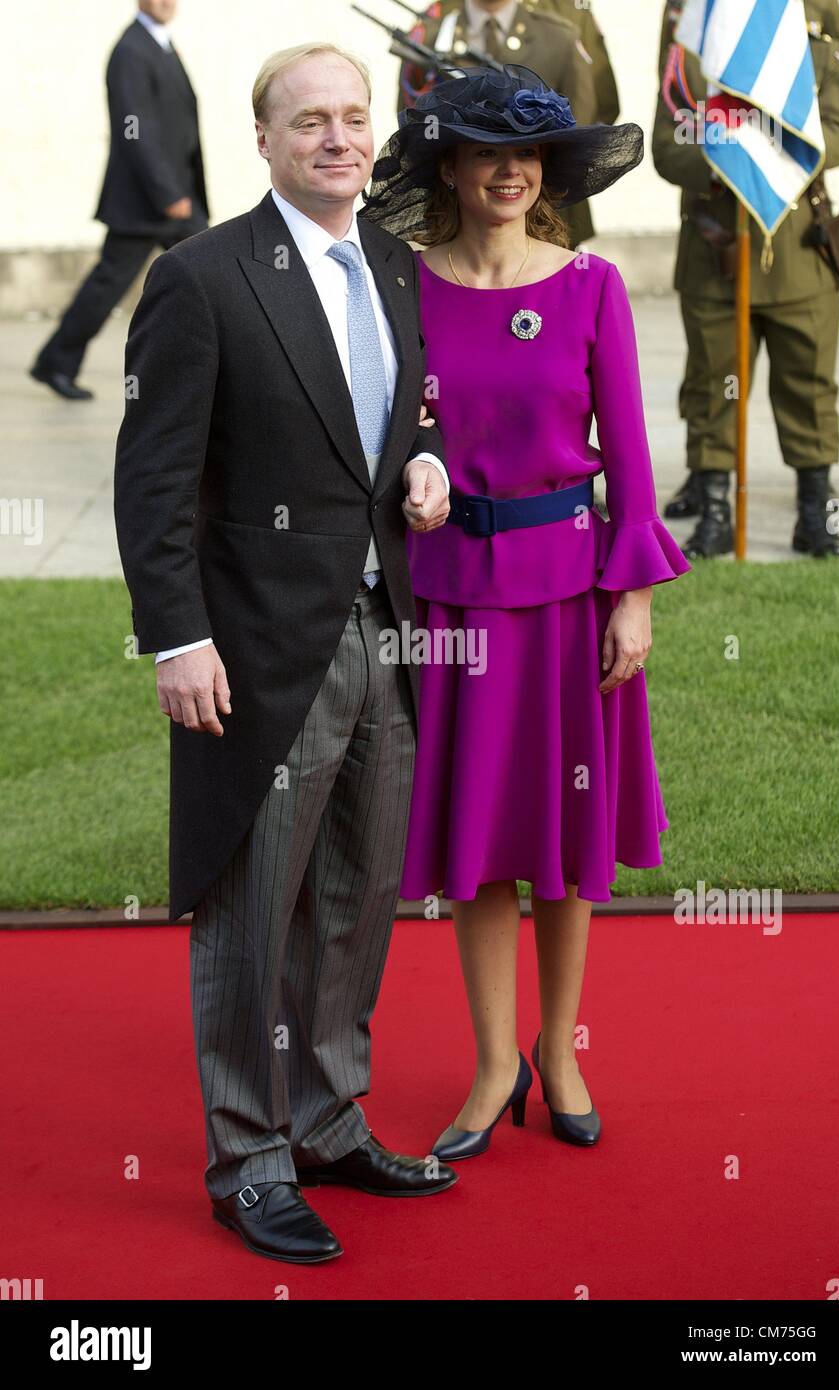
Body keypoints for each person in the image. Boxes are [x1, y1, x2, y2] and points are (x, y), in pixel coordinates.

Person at [114, 42, 457, 1266]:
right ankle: (249, 1157)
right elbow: (151, 480)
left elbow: (408, 417)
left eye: (354, 118)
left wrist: (424, 466)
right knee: (255, 906)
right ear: (262, 141)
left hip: (384, 632)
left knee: (356, 897)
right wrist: (177, 638)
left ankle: (323, 1117)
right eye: (308, 119)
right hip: (255, 650)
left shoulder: (396, 268)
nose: (337, 138)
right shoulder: (201, 278)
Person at [360, 64, 691, 1160]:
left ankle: (559, 1052)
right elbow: (393, 424)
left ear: (542, 172)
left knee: (562, 827)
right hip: (451, 595)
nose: (509, 170)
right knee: (480, 841)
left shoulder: (590, 286)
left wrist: (632, 597)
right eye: (486, 150)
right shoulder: (403, 286)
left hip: (567, 599)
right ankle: (491, 1063)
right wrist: (413, 459)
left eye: (527, 153)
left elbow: (632, 466)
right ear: (447, 167)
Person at [652, 0, 839, 558]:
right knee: (715, 386)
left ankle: (815, 515)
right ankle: (715, 513)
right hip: (717, 248)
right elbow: (668, 148)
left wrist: (773, 150)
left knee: (809, 387)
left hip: (797, 251)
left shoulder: (813, 36)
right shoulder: (696, 40)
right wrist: (728, 155)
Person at [30, 0, 209, 401]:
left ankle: (55, 361)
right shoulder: (131, 49)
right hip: (153, 202)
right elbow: (134, 129)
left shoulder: (159, 44)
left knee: (207, 274)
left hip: (173, 194)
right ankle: (56, 362)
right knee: (114, 285)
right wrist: (167, 195)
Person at [397, 0, 599, 245]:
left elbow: (579, 129)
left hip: (549, 224)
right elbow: (416, 134)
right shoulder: (429, 37)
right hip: (454, 226)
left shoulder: (558, 37)